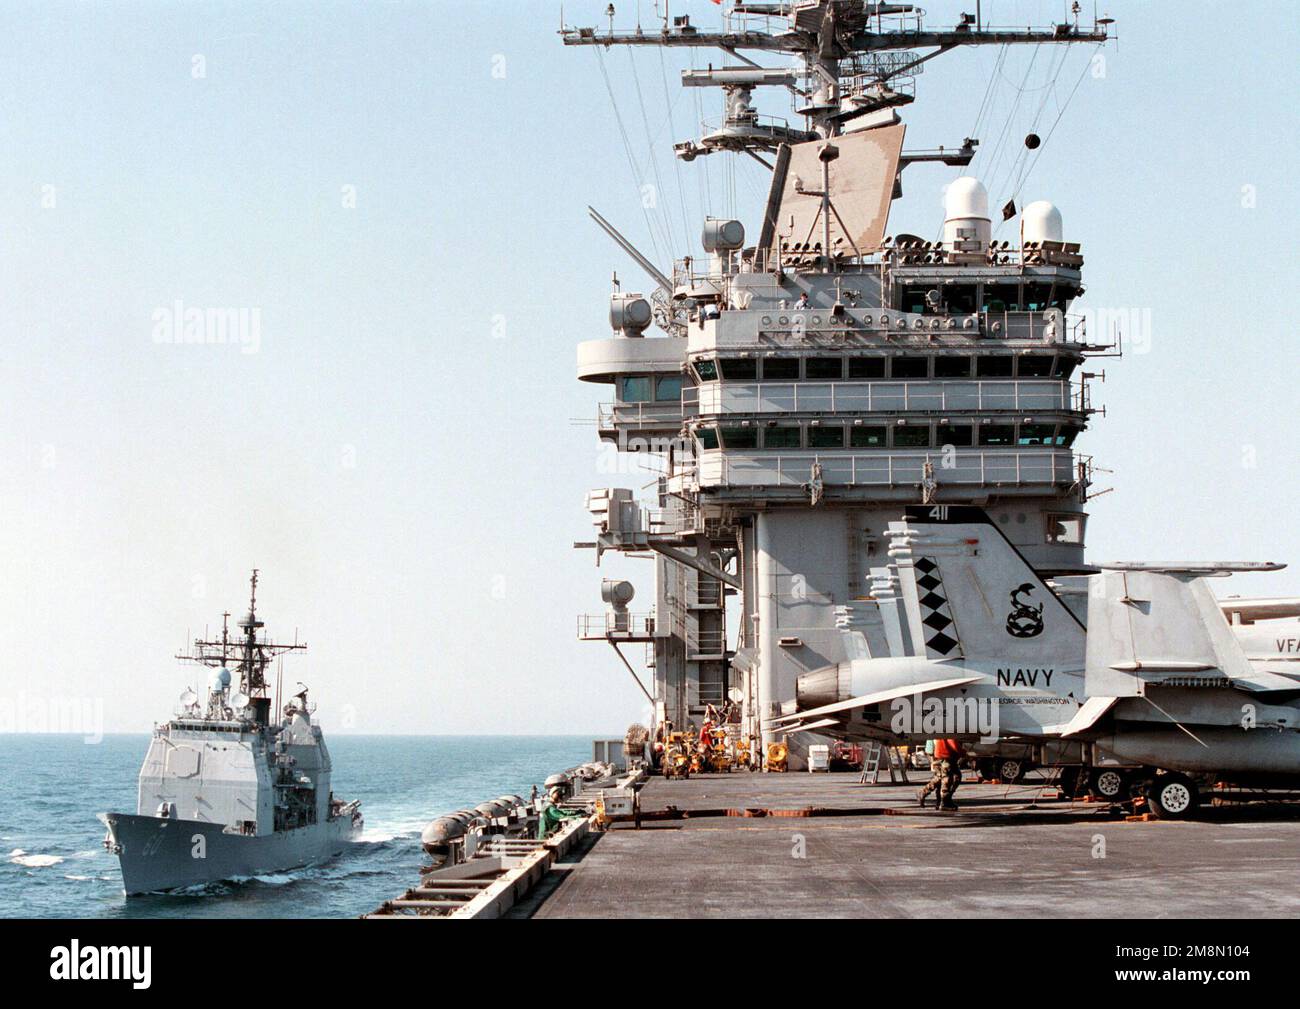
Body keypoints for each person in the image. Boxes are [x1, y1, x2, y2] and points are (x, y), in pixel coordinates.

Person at [917, 738, 965, 810]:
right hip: (945, 754)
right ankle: (944, 801)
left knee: (942, 777)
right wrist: (963, 752)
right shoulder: (949, 730)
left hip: (941, 753)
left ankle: (939, 799)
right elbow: (952, 741)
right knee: (946, 778)